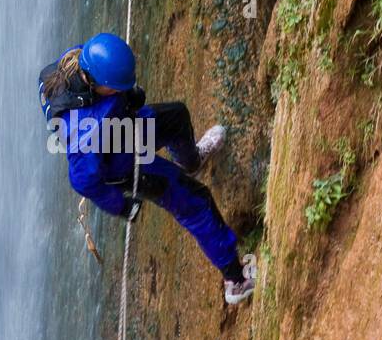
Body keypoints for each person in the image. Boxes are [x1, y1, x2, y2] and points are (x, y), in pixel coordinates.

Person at [38, 32, 255, 304]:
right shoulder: (83, 134)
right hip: (125, 166)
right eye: (116, 87)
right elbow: (82, 180)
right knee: (195, 202)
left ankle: (192, 161)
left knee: (177, 116)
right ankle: (236, 281)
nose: (119, 89)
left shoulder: (80, 57)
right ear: (100, 83)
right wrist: (121, 205)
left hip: (125, 131)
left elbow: (115, 96)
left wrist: (129, 97)